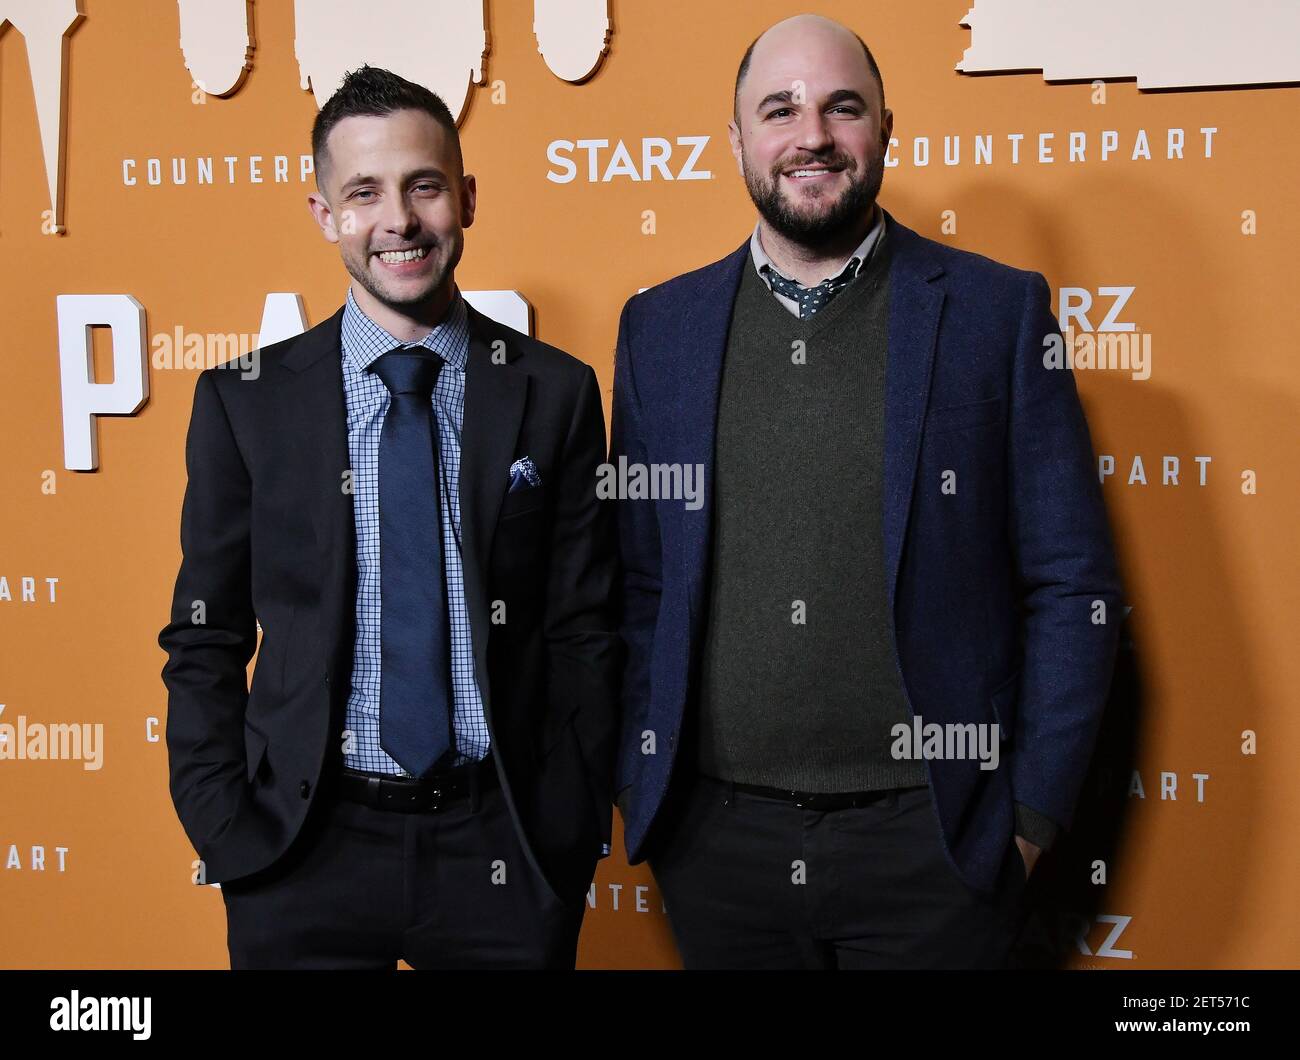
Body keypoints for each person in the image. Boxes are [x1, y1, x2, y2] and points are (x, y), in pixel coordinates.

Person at [610, 14, 1122, 969]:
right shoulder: (658, 330)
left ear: (885, 128)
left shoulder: (995, 313)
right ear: (735, 141)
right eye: (780, 109)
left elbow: (1072, 584)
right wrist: (647, 795)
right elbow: (640, 586)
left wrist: (1030, 818)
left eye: (843, 107)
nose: (812, 134)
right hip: (719, 850)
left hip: (937, 845)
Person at [159, 65, 619, 969]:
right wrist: (228, 828)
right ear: (324, 214)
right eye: (363, 192)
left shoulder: (557, 393)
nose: (398, 221)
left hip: (501, 845)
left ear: (467, 199)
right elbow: (203, 635)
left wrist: (565, 824)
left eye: (424, 186)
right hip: (302, 846)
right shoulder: (244, 402)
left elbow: (584, 628)